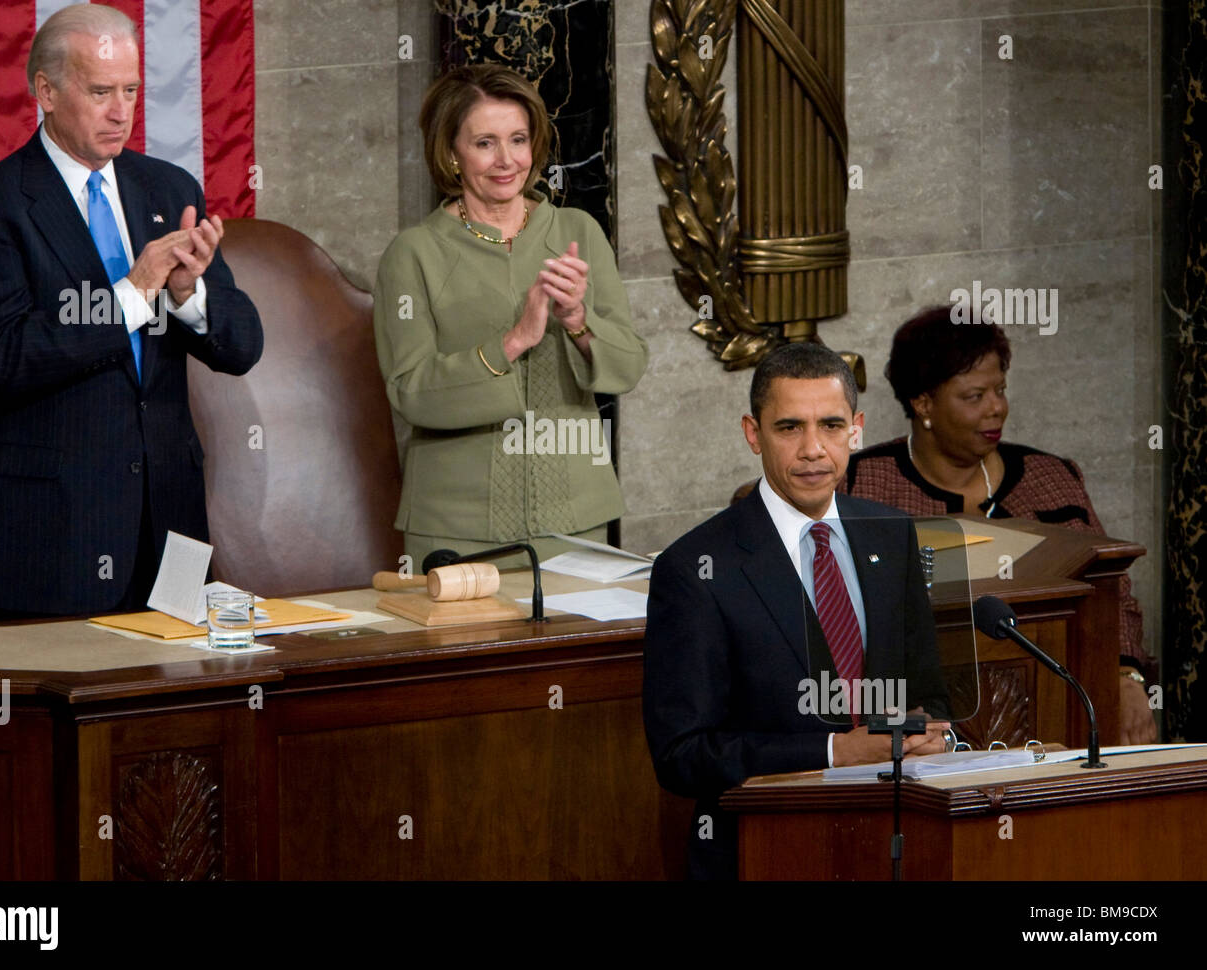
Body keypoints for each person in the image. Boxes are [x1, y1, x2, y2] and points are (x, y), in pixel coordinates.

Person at [0, 4, 263, 620]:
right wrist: (135, 289)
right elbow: (7, 358)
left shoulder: (170, 190)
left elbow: (242, 345)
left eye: (131, 91)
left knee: (181, 712)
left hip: (171, 530)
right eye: (100, 92)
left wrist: (186, 295)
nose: (121, 112)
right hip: (50, 541)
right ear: (46, 92)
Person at [642, 343, 950, 880]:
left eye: (831, 425)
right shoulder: (695, 567)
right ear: (752, 433)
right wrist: (834, 750)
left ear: (855, 429)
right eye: (789, 428)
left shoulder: (892, 533)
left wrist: (928, 732)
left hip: (895, 838)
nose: (814, 449)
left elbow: (927, 690)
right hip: (767, 851)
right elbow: (683, 756)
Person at [373, 64, 648, 571]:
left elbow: (628, 366)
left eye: (518, 139)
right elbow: (411, 392)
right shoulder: (412, 254)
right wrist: (514, 341)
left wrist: (579, 322)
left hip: (577, 520)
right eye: (485, 143)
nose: (507, 161)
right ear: (450, 152)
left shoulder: (578, 231)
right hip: (455, 529)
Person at [844, 305, 1155, 744]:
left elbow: (1111, 590)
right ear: (923, 402)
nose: (997, 409)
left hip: (1055, 707)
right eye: (974, 396)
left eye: (1000, 390)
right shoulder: (861, 483)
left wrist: (1127, 677)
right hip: (916, 721)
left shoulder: (1052, 478)